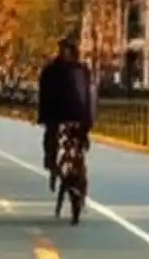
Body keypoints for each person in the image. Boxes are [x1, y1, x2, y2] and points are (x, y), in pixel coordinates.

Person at [37, 37, 94, 188]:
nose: (66, 53)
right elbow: (44, 94)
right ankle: (52, 164)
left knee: (77, 136)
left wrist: (88, 117)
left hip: (76, 112)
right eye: (64, 50)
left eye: (69, 50)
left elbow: (88, 93)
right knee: (52, 135)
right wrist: (44, 115)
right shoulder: (52, 70)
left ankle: (78, 172)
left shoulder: (80, 70)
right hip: (58, 112)